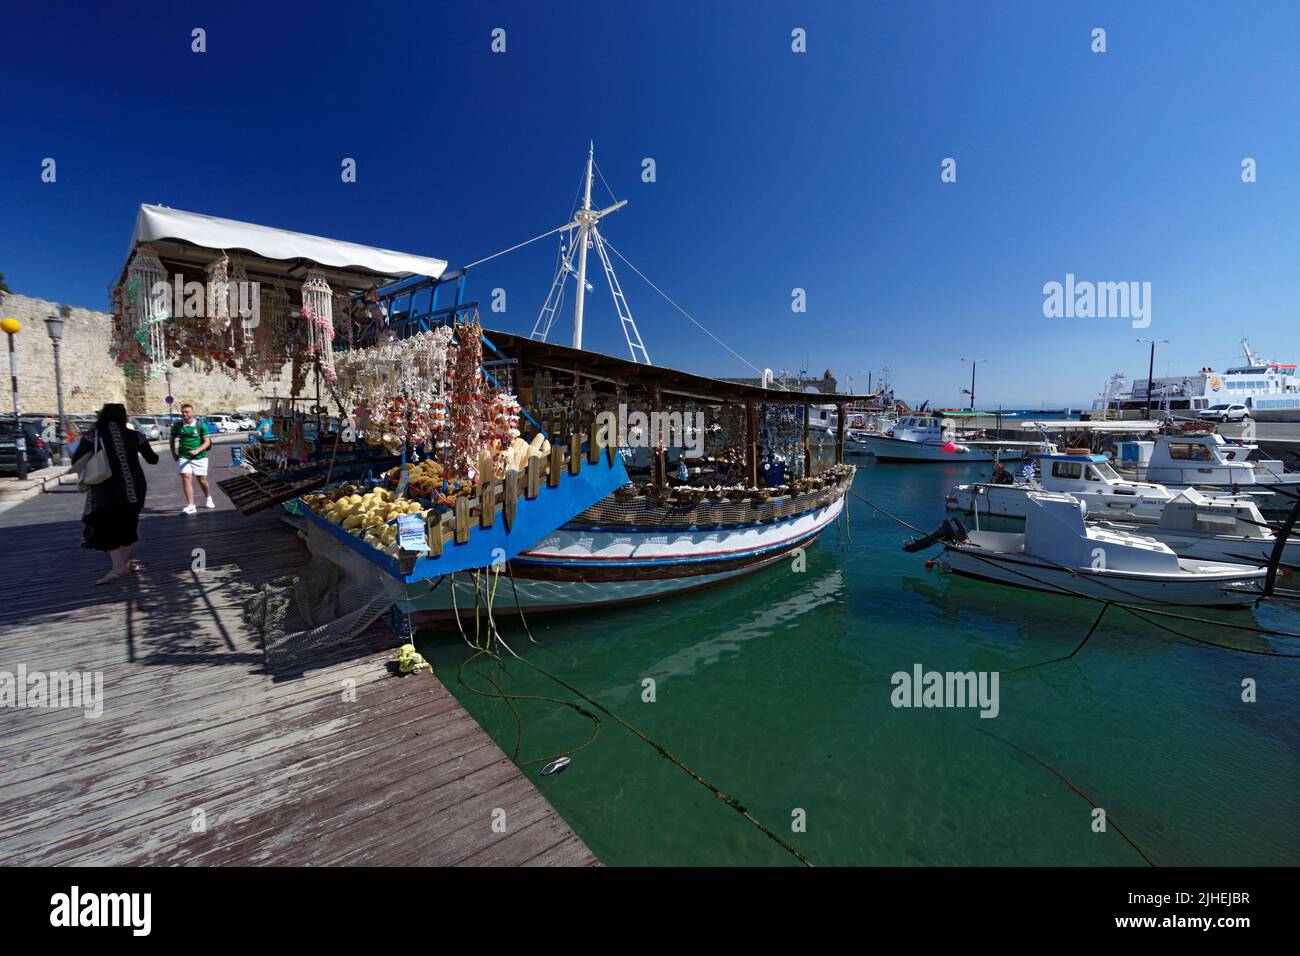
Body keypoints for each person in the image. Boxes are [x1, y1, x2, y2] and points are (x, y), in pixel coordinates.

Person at [72, 403, 159, 585]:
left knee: (108, 528)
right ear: (123, 417)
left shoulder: (92, 436)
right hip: (133, 488)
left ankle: (118, 566)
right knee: (129, 526)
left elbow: (76, 458)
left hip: (105, 490)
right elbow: (153, 459)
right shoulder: (135, 436)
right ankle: (122, 566)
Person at [170, 403, 214, 514]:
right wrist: (173, 453)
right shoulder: (178, 425)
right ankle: (191, 505)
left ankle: (208, 497)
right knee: (186, 477)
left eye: (187, 412)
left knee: (202, 480)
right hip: (184, 456)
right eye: (183, 412)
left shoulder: (200, 425)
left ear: (192, 413)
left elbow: (207, 441)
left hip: (199, 457)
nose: (184, 414)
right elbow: (171, 439)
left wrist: (198, 450)